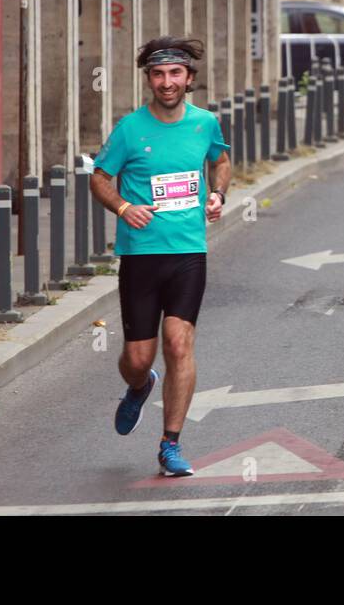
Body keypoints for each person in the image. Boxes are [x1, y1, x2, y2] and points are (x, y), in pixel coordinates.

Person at [90, 37, 232, 477]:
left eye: (175, 74)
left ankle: (170, 443)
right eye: (158, 74)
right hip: (141, 255)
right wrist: (123, 207)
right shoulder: (130, 129)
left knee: (178, 343)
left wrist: (218, 194)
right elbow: (99, 177)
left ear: (189, 79)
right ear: (148, 79)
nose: (166, 82)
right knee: (138, 359)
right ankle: (139, 386)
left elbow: (221, 161)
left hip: (188, 251)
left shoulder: (204, 123)